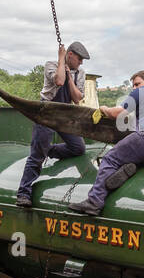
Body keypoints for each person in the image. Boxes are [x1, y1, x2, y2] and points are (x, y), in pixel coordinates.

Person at [69, 70, 144, 215]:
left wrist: (104, 109)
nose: (135, 88)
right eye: (133, 86)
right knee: (137, 151)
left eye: (137, 84)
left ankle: (94, 202)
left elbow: (117, 113)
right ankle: (129, 168)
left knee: (110, 158)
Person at [16, 41, 90, 207]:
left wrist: (71, 77)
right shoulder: (51, 65)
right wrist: (61, 59)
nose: (81, 62)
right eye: (79, 59)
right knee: (36, 158)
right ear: (69, 54)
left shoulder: (80, 72)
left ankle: (46, 149)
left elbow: (77, 97)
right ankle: (23, 193)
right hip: (47, 112)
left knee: (78, 148)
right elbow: (58, 81)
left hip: (65, 113)